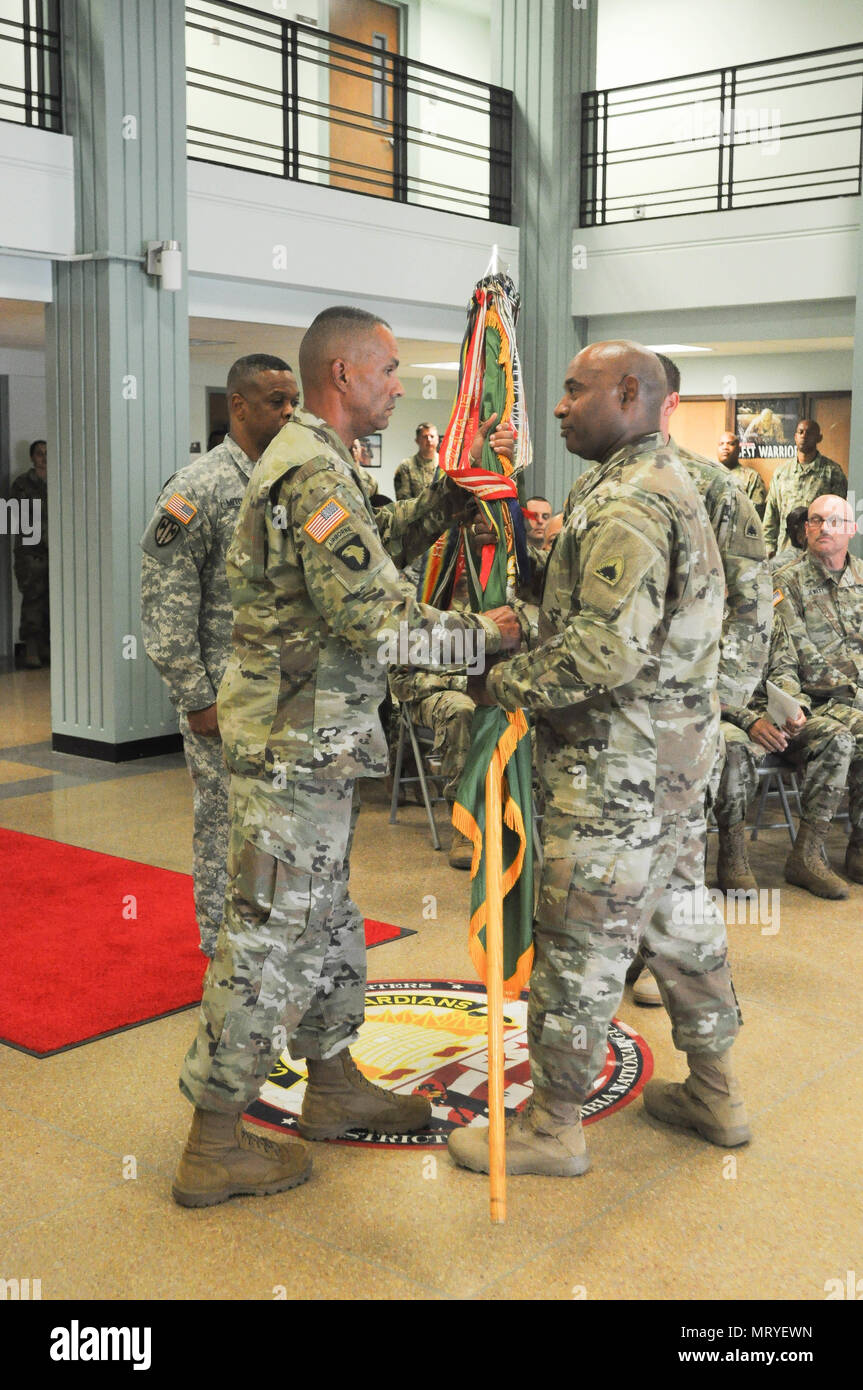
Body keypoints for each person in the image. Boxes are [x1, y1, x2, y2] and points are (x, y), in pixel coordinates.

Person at [173, 306, 521, 1207]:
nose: (400, 385)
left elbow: (373, 550)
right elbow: (388, 625)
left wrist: (451, 496)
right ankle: (212, 1140)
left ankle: (331, 1084)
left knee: (325, 921)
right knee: (266, 938)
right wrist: (497, 633)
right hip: (293, 748)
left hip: (314, 743)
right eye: (391, 369)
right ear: (343, 375)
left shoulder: (322, 464)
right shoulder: (310, 475)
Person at [448, 340, 748, 1181]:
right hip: (672, 768)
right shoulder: (643, 481)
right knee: (680, 924)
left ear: (627, 392)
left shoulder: (630, 499)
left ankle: (552, 1125)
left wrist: (501, 686)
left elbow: (601, 651)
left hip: (615, 773)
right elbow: (595, 600)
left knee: (580, 941)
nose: (557, 406)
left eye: (573, 391)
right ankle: (715, 1092)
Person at [141, 355, 300, 957]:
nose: (288, 412)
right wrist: (196, 697)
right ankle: (221, 949)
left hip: (289, 696)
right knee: (224, 824)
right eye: (275, 402)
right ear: (238, 405)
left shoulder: (293, 480)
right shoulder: (196, 488)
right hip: (225, 701)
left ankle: (274, 937)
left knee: (282, 821)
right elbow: (164, 604)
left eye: (293, 402)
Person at [624, 354, 771, 1006]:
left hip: (685, 705)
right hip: (612, 705)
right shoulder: (598, 486)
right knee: (622, 840)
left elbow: (752, 600)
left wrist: (724, 698)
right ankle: (627, 950)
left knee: (678, 842)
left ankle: (678, 972)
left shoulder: (712, 489)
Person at [718, 493, 863, 896]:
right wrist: (750, 719)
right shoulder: (700, 611)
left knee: (839, 738)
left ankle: (809, 854)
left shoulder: (760, 605)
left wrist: (791, 706)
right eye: (815, 521)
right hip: (730, 717)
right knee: (732, 750)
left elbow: (784, 662)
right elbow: (692, 685)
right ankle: (732, 856)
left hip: (784, 709)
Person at [761, 419, 846, 557]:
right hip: (785, 553)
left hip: (818, 554)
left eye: (809, 432)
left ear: (819, 438)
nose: (804, 435)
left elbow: (838, 517)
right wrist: (768, 546)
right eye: (800, 432)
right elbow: (771, 513)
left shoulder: (832, 472)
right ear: (795, 437)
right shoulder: (781, 473)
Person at [11, 439, 49, 669]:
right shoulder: (22, 484)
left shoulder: (60, 482)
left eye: (47, 453)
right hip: (31, 553)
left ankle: (48, 648)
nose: (43, 458)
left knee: (53, 599)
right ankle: (32, 649)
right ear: (32, 458)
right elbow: (16, 520)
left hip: (55, 551)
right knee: (33, 599)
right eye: (39, 453)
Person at [716, 431, 767, 519]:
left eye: (730, 444)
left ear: (739, 449)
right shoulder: (709, 475)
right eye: (721, 444)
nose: (725, 447)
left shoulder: (751, 477)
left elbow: (756, 514)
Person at [394, 422, 439, 499]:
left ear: (438, 439)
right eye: (425, 437)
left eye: (432, 436)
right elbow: (403, 500)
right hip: (416, 510)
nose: (429, 440)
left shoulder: (446, 464)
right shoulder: (406, 466)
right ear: (417, 440)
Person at [770, 504, 808, 573]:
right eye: (797, 527)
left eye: (805, 527)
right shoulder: (776, 564)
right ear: (788, 532)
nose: (802, 531)